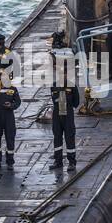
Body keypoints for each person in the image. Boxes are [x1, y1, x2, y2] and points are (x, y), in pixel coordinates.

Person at [49, 32, 80, 169]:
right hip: (57, 114)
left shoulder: (71, 85)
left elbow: (76, 102)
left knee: (69, 137)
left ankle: (72, 162)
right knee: (57, 138)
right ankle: (58, 161)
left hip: (67, 113)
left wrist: (66, 106)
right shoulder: (54, 85)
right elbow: (53, 98)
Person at [0, 74, 21, 169]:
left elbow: (18, 102)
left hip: (8, 117)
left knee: (10, 139)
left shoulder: (13, 89)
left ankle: (10, 162)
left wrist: (11, 105)